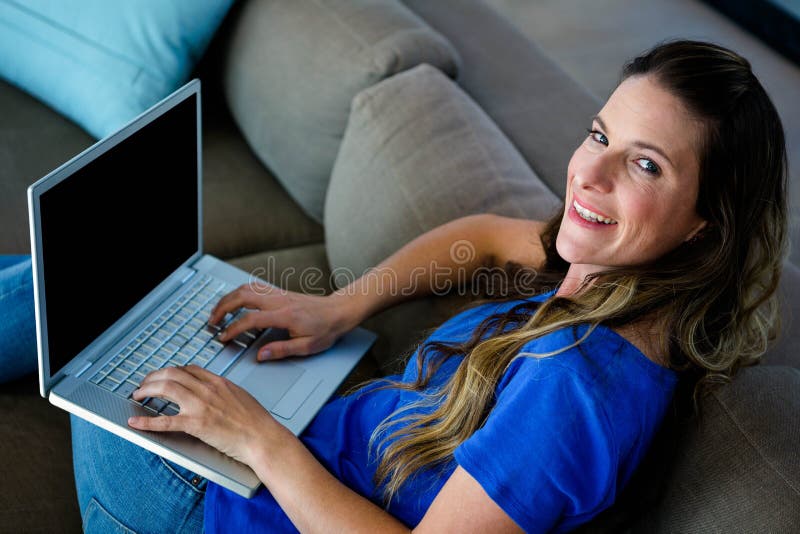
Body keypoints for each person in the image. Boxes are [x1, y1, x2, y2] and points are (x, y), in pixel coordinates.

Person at [0, 39, 788, 532]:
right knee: (98, 284)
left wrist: (255, 437)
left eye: (646, 164)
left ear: (703, 225)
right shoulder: (610, 278)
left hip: (209, 509)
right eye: (599, 134)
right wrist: (336, 305)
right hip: (280, 461)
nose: (591, 172)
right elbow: (480, 234)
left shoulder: (577, 388)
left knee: (86, 296)